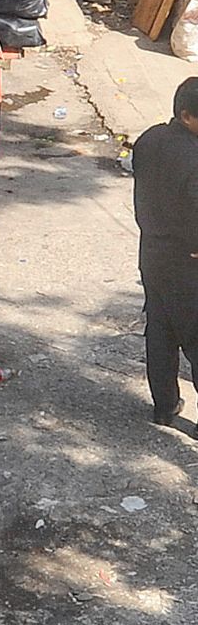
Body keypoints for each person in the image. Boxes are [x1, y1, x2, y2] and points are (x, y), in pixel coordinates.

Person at [131, 75, 198, 425]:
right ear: (186, 115)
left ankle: (165, 406)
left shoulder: (148, 140)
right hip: (188, 262)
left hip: (152, 253)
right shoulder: (194, 158)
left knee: (160, 331)